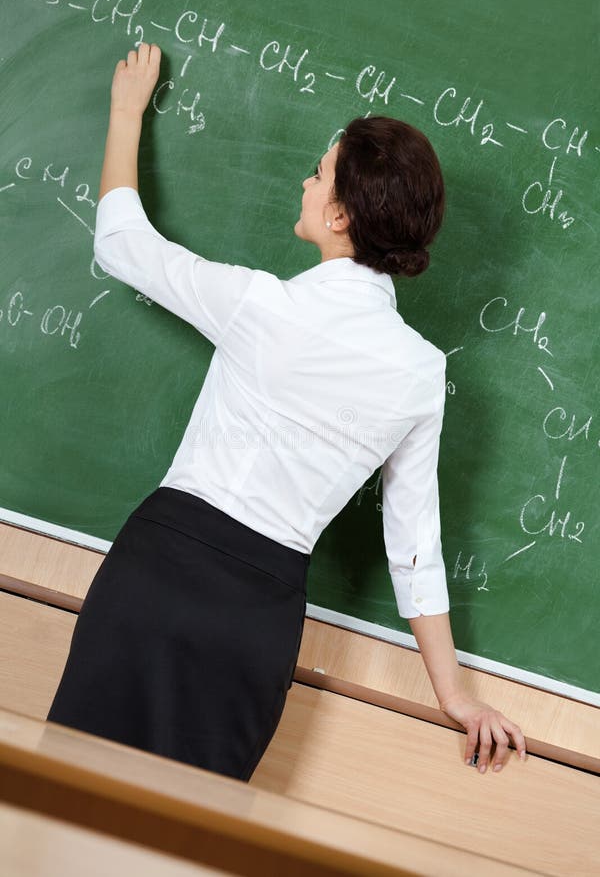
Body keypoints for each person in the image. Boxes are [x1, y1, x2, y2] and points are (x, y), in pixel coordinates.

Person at [46, 42, 527, 781]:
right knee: (189, 839)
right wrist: (455, 695)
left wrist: (124, 110)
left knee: (64, 808)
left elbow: (120, 242)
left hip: (158, 572)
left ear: (339, 214)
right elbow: (415, 547)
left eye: (320, 173)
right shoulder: (420, 372)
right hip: (256, 617)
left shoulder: (258, 304)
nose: (306, 183)